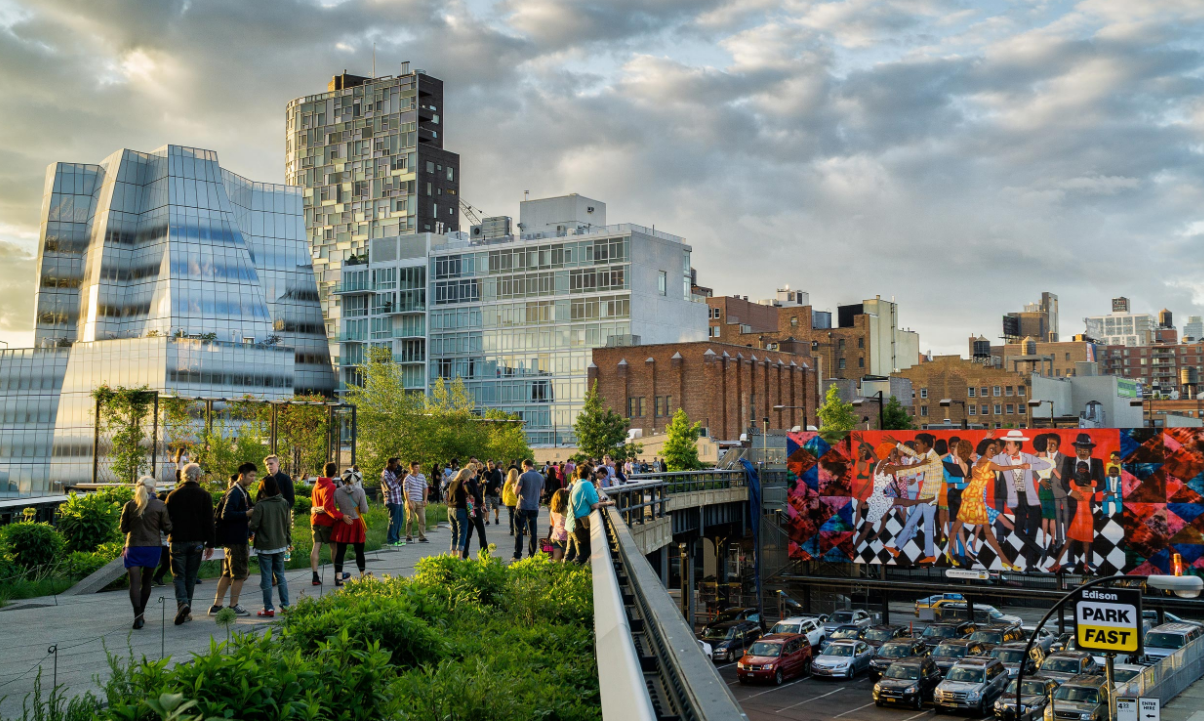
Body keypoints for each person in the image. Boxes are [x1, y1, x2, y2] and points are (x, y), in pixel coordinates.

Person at [946, 438, 1030, 571]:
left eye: (994, 449)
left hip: (976, 499)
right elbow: (1003, 468)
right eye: (991, 449)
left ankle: (1005, 559)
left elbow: (1001, 467)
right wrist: (1019, 466)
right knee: (962, 526)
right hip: (972, 499)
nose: (993, 451)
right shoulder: (979, 463)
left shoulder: (979, 463)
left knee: (975, 528)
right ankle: (950, 553)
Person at [990, 430, 1051, 570]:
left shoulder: (1027, 457)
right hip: (1017, 500)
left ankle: (1029, 565)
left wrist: (1030, 466)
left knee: (1032, 533)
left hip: (1031, 499)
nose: (1006, 447)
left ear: (1017, 446)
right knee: (1018, 531)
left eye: (1009, 444)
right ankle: (1041, 551)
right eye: (1006, 444)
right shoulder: (1002, 459)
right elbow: (984, 459)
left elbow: (1046, 465)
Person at [881, 433, 943, 565]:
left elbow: (915, 469)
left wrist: (896, 471)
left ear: (925, 445)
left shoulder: (933, 459)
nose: (915, 447)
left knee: (927, 528)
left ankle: (930, 555)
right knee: (910, 523)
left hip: (929, 500)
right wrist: (897, 443)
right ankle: (897, 548)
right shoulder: (927, 455)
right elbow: (913, 454)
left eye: (917, 444)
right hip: (924, 497)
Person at [119, 475, 172, 629]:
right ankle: (141, 614)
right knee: (146, 582)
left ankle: (138, 616)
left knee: (134, 583)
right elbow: (167, 527)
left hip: (133, 546)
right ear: (153, 488)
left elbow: (124, 528)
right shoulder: (160, 505)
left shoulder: (129, 505)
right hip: (152, 548)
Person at [165, 462, 214, 625]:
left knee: (179, 576)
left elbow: (166, 520)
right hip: (197, 542)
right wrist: (211, 544)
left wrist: (168, 532)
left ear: (183, 477)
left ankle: (182, 604)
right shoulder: (205, 495)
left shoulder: (173, 495)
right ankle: (186, 611)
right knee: (191, 577)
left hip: (178, 541)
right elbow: (209, 522)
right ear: (198, 476)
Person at [210, 463, 256, 616]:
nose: (253, 479)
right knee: (239, 574)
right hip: (236, 539)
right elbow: (226, 514)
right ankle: (233, 605)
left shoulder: (240, 491)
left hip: (234, 538)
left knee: (228, 573)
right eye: (251, 475)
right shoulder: (235, 492)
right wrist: (246, 514)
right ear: (242, 475)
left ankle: (217, 605)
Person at [249, 475, 291, 617]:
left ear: (262, 488)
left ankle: (269, 608)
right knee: (281, 576)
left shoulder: (261, 505)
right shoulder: (284, 503)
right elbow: (288, 524)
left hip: (264, 546)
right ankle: (285, 606)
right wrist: (288, 541)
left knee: (266, 577)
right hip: (280, 544)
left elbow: (254, 525)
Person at [565, 467, 613, 564]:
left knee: (569, 554)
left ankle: (562, 574)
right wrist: (607, 504)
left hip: (570, 523)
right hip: (579, 525)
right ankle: (573, 573)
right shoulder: (587, 484)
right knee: (582, 554)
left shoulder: (577, 483)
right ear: (588, 475)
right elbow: (594, 505)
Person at [332, 468, 369, 585]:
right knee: (359, 551)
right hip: (356, 523)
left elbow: (332, 507)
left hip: (343, 523)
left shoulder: (337, 492)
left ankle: (338, 577)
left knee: (340, 551)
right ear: (356, 479)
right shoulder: (360, 491)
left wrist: (342, 514)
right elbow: (364, 510)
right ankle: (362, 575)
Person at [309, 462, 343, 586]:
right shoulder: (331, 486)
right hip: (327, 521)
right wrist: (341, 516)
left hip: (314, 519)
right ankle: (337, 574)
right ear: (335, 472)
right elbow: (328, 507)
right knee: (334, 547)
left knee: (316, 546)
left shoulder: (316, 485)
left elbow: (315, 504)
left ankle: (315, 576)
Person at [513, 459, 545, 560]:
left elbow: (516, 491)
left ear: (525, 466)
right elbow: (542, 493)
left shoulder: (523, 476)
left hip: (522, 506)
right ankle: (531, 555)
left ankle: (517, 554)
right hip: (534, 507)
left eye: (523, 467)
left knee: (518, 531)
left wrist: (514, 486)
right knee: (533, 532)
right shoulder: (541, 477)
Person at [462, 464, 489, 559]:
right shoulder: (472, 481)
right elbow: (476, 495)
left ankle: (464, 554)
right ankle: (485, 555)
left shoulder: (464, 481)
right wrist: (483, 503)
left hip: (468, 509)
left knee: (468, 533)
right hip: (475, 509)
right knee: (481, 533)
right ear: (473, 471)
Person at [447, 468, 472, 558]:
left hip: (450, 509)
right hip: (460, 509)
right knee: (462, 533)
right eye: (469, 477)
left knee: (454, 533)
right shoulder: (463, 483)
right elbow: (470, 493)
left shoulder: (452, 483)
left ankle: (453, 555)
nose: (470, 479)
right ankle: (460, 556)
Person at [150, 487, 173, 587]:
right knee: (166, 561)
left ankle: (156, 577)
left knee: (167, 560)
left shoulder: (163, 511)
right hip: (159, 542)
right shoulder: (161, 511)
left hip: (163, 542)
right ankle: (154, 578)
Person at [381, 458, 405, 546]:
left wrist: (402, 478)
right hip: (391, 500)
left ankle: (396, 539)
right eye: (394, 465)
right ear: (389, 464)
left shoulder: (392, 473)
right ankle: (391, 540)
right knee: (393, 521)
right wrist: (398, 478)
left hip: (398, 500)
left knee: (399, 521)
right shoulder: (385, 474)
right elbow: (390, 487)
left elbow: (398, 485)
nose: (396, 467)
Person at [403, 461, 429, 543]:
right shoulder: (407, 478)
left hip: (419, 500)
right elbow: (406, 491)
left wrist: (425, 499)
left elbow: (425, 488)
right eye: (415, 467)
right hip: (411, 500)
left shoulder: (422, 477)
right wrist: (409, 502)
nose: (417, 469)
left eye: (418, 467)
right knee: (410, 519)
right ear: (411, 468)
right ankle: (408, 536)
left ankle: (422, 536)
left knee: (422, 519)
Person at [548, 488, 570, 561]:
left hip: (555, 536)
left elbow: (552, 524)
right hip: (566, 537)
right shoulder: (568, 510)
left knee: (556, 560)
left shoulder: (552, 510)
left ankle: (554, 572)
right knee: (568, 560)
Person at [483, 460, 503, 526]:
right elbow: (481, 481)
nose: (490, 465)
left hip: (494, 492)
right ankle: (487, 520)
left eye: (491, 464)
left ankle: (497, 518)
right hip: (487, 492)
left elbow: (499, 481)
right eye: (489, 464)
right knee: (487, 506)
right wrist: (483, 481)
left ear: (494, 465)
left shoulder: (497, 472)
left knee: (496, 507)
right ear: (487, 465)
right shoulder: (485, 473)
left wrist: (498, 487)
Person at [502, 467, 519, 536]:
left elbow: (504, 492)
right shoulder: (518, 482)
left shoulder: (507, 483)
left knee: (510, 516)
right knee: (517, 516)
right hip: (516, 501)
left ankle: (511, 530)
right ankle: (517, 529)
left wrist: (504, 500)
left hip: (509, 501)